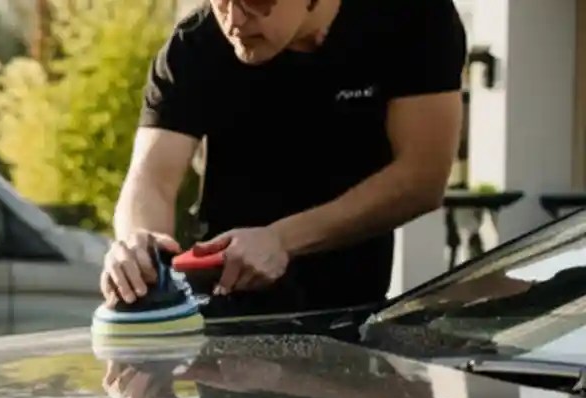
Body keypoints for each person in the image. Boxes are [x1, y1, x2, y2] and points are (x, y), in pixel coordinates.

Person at [102, 0, 468, 317]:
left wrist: (281, 239)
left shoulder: (413, 19)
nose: (234, 21)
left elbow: (422, 179)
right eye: (222, 2)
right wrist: (139, 242)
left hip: (351, 319)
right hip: (227, 323)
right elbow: (151, 180)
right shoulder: (194, 46)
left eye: (256, 2)